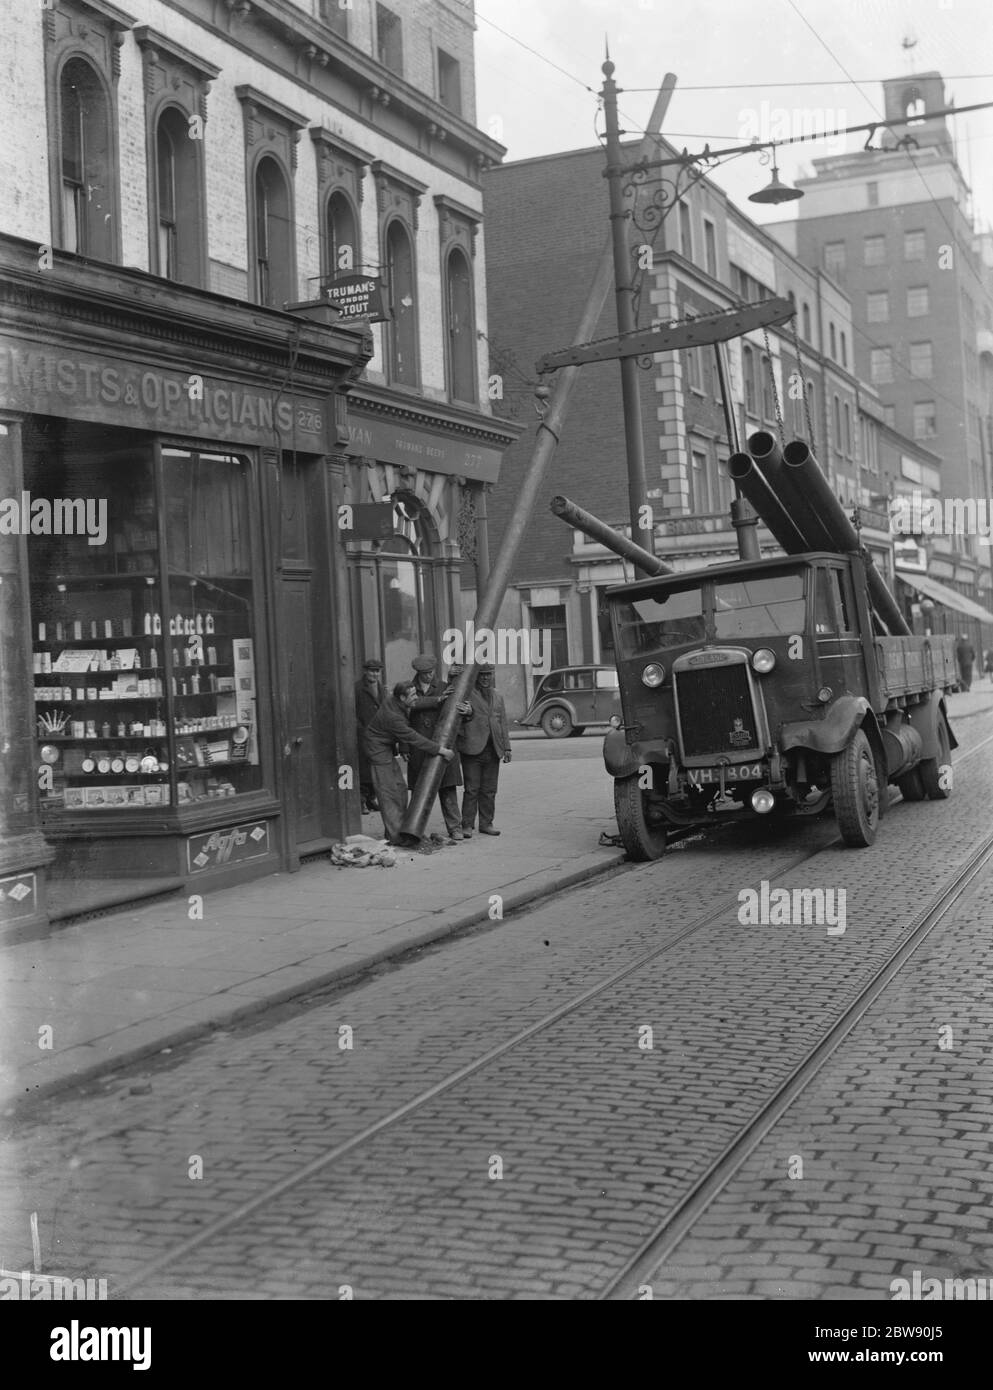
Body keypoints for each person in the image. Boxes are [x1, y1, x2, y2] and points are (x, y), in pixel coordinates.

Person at [361, 682, 454, 845]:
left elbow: (418, 701)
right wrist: (441, 750)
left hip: (384, 746)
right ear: (402, 698)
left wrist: (439, 699)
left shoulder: (396, 699)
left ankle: (395, 830)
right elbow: (414, 738)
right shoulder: (393, 717)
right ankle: (395, 837)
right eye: (412, 695)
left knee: (401, 790)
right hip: (377, 750)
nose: (416, 697)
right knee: (389, 793)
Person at [406, 654, 472, 842]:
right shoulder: (409, 690)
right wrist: (404, 746)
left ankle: (455, 827)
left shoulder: (444, 687)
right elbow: (405, 716)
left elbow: (460, 711)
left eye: (431, 672)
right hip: (419, 747)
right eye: (425, 673)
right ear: (418, 673)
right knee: (419, 790)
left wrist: (468, 711)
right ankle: (414, 829)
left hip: (443, 744)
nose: (429, 676)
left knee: (447, 788)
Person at [457, 663, 512, 837]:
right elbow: (460, 717)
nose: (486, 678)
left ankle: (486, 823)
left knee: (489, 790)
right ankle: (467, 825)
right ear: (476, 677)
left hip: (493, 749)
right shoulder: (467, 694)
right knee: (472, 789)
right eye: (482, 675)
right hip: (472, 749)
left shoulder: (497, 696)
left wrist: (507, 747)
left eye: (489, 675)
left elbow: (502, 722)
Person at [354, 658, 384, 812]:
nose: (374, 674)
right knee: (364, 770)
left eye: (377, 671)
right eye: (372, 671)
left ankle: (371, 798)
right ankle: (362, 801)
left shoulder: (381, 688)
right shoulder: (357, 689)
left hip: (379, 736)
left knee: (375, 769)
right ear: (365, 671)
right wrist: (361, 730)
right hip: (363, 736)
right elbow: (353, 713)